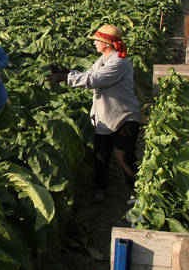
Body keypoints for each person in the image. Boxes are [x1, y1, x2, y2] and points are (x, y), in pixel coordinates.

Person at [48, 24, 140, 199]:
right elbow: (89, 73)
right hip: (105, 115)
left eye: (97, 41)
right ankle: (101, 188)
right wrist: (67, 72)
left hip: (124, 115)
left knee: (125, 157)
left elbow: (94, 79)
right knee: (101, 155)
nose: (95, 43)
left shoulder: (119, 63)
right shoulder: (102, 60)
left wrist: (65, 78)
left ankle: (137, 191)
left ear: (107, 43)